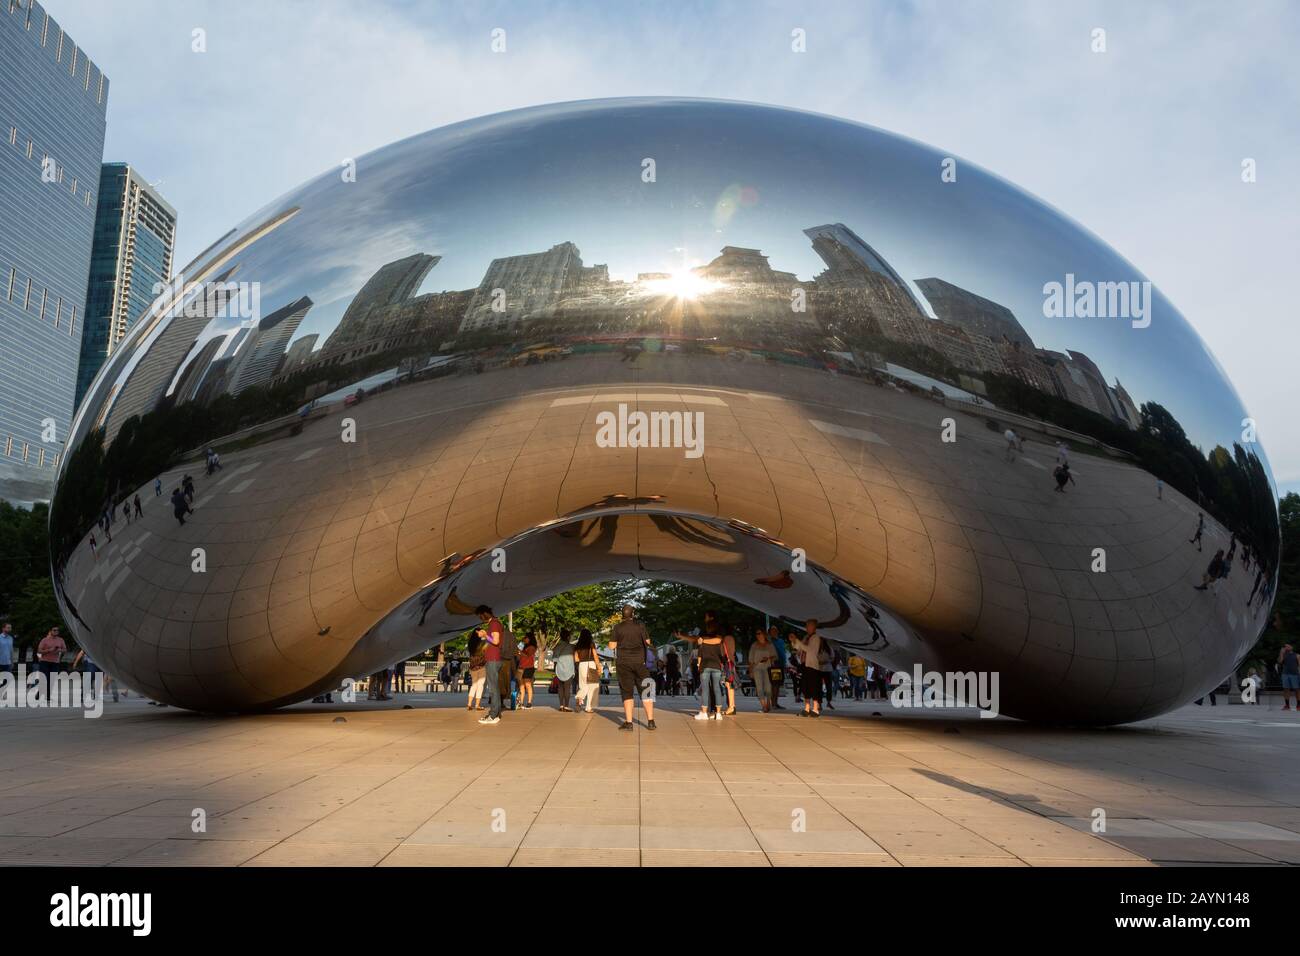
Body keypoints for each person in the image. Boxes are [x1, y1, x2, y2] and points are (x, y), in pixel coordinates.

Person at [609, 605, 656, 731]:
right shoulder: (640, 626)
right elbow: (648, 642)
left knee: (627, 692)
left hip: (623, 663)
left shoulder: (617, 627)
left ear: (622, 615)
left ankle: (629, 723)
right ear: (633, 614)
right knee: (646, 690)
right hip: (641, 663)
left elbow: (611, 646)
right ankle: (651, 721)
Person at [676, 612, 726, 720]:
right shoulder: (719, 639)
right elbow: (721, 651)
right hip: (716, 666)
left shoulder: (702, 639)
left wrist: (699, 664)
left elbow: (700, 653)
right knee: (717, 688)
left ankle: (704, 712)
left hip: (705, 665)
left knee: (705, 689)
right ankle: (718, 713)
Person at [787, 620, 825, 717]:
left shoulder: (816, 638)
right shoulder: (806, 637)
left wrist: (798, 641)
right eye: (807, 626)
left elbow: (809, 649)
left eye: (809, 626)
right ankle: (807, 707)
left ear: (814, 627)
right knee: (805, 686)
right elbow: (799, 648)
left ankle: (815, 708)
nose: (807, 628)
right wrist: (794, 640)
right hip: (804, 665)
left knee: (814, 687)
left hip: (812, 665)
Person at [476, 605, 505, 724]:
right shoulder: (494, 623)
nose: (479, 618)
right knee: (494, 688)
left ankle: (493, 715)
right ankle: (495, 713)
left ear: (484, 614)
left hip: (493, 659)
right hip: (493, 658)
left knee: (493, 689)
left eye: (480, 616)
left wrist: (484, 635)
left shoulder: (493, 623)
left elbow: (496, 641)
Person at [748, 627, 777, 713]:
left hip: (767, 668)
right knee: (759, 688)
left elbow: (775, 656)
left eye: (759, 633)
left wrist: (768, 658)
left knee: (768, 688)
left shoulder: (769, 645)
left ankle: (768, 703)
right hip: (757, 668)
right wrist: (750, 671)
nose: (758, 635)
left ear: (764, 634)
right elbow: (750, 660)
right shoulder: (754, 645)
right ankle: (764, 706)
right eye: (757, 634)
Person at [573, 629, 600, 714]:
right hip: (591, 664)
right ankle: (588, 707)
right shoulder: (591, 644)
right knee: (592, 686)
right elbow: (595, 655)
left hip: (581, 665)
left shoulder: (577, 645)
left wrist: (578, 667)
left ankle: (579, 697)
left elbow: (576, 658)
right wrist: (598, 667)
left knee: (583, 685)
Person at [552, 628, 576, 711]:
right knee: (567, 688)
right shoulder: (572, 647)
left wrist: (554, 669)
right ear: (568, 637)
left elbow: (554, 659)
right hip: (569, 669)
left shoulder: (557, 647)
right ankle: (566, 705)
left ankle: (561, 705)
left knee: (560, 688)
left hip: (559, 669)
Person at [518, 632, 538, 709]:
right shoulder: (523, 645)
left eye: (526, 637)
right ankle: (521, 702)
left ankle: (529, 702)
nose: (525, 639)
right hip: (520, 667)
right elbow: (517, 650)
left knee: (528, 684)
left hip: (528, 667)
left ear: (530, 638)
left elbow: (528, 655)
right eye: (524, 638)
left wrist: (520, 653)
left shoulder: (532, 647)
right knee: (521, 685)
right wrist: (521, 643)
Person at [466, 634, 487, 711]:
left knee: (474, 685)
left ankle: (469, 703)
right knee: (480, 685)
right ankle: (477, 705)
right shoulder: (483, 644)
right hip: (481, 666)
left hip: (472, 666)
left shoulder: (470, 644)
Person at [769, 625, 786, 709]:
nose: (774, 632)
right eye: (772, 630)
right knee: (774, 685)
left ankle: (776, 702)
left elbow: (783, 652)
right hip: (774, 665)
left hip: (781, 664)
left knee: (778, 685)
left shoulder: (781, 641)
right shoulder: (769, 641)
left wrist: (785, 664)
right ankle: (773, 703)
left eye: (775, 630)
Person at [1278, 644, 1300, 712]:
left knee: (1297, 689)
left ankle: (1298, 705)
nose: (1286, 647)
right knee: (1286, 689)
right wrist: (1281, 653)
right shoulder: (1284, 655)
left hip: (1295, 674)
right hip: (1285, 674)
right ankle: (1287, 705)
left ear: (1291, 647)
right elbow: (1280, 662)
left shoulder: (1297, 655)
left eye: (1288, 646)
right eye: (1285, 646)